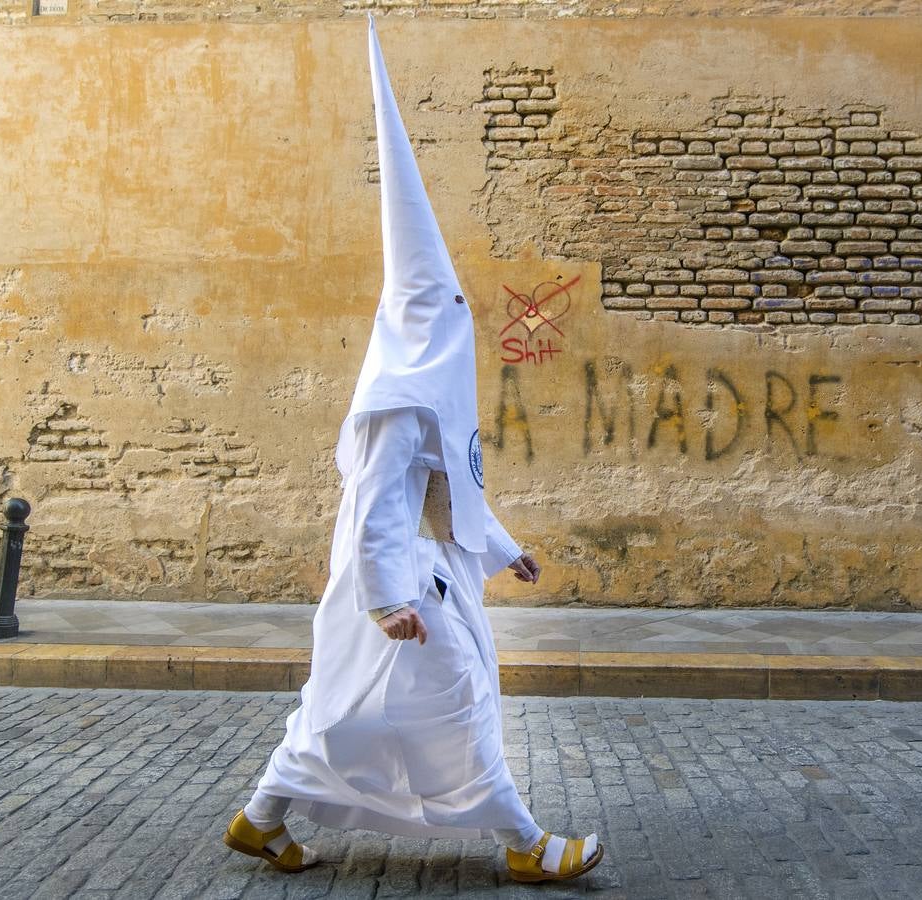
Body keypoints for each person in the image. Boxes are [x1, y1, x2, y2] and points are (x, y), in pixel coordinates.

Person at [220, 16, 602, 884]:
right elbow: (378, 504)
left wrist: (505, 549)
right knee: (460, 701)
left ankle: (258, 820)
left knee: (332, 715)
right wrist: (387, 597)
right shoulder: (398, 399)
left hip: (413, 578)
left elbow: (445, 492)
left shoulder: (419, 393)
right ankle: (526, 845)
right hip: (403, 588)